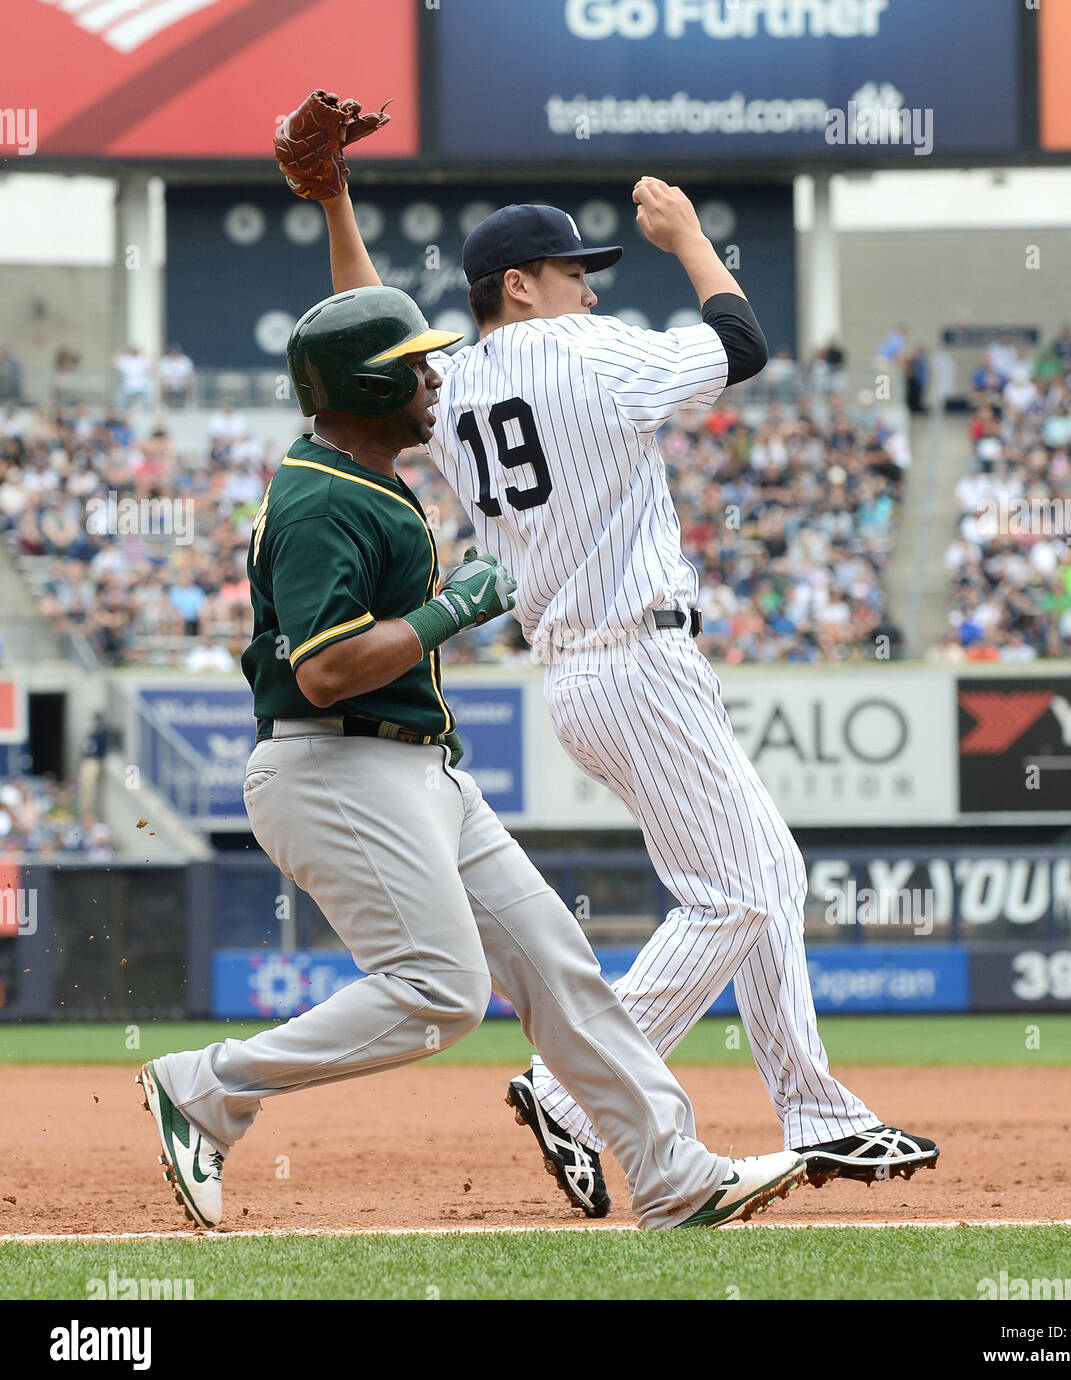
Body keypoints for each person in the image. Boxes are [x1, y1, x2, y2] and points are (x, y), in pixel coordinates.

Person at [311, 160, 939, 1209]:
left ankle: (818, 1110)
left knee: (765, 877)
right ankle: (567, 1088)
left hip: (579, 666)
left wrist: (335, 204)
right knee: (738, 888)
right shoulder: (585, 352)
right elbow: (743, 346)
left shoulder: (451, 381)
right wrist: (689, 237)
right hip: (633, 653)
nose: (590, 287)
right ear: (519, 283)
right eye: (572, 270)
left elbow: (369, 323)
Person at [137, 285, 806, 1233]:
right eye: (413, 364)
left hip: (414, 766)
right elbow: (324, 670)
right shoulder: (320, 496)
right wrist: (455, 607)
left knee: (555, 968)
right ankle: (209, 1087)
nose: (433, 375)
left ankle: (676, 1174)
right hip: (334, 765)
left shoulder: (355, 470)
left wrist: (333, 201)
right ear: (369, 389)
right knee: (440, 994)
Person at [158, 344, 195, 408]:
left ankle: (189, 403)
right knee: (163, 384)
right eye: (172, 351)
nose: (174, 353)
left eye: (176, 351)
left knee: (189, 382)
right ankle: (163, 404)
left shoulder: (185, 360)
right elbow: (163, 375)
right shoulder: (165, 360)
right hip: (169, 382)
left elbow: (188, 374)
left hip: (182, 382)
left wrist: (183, 380)